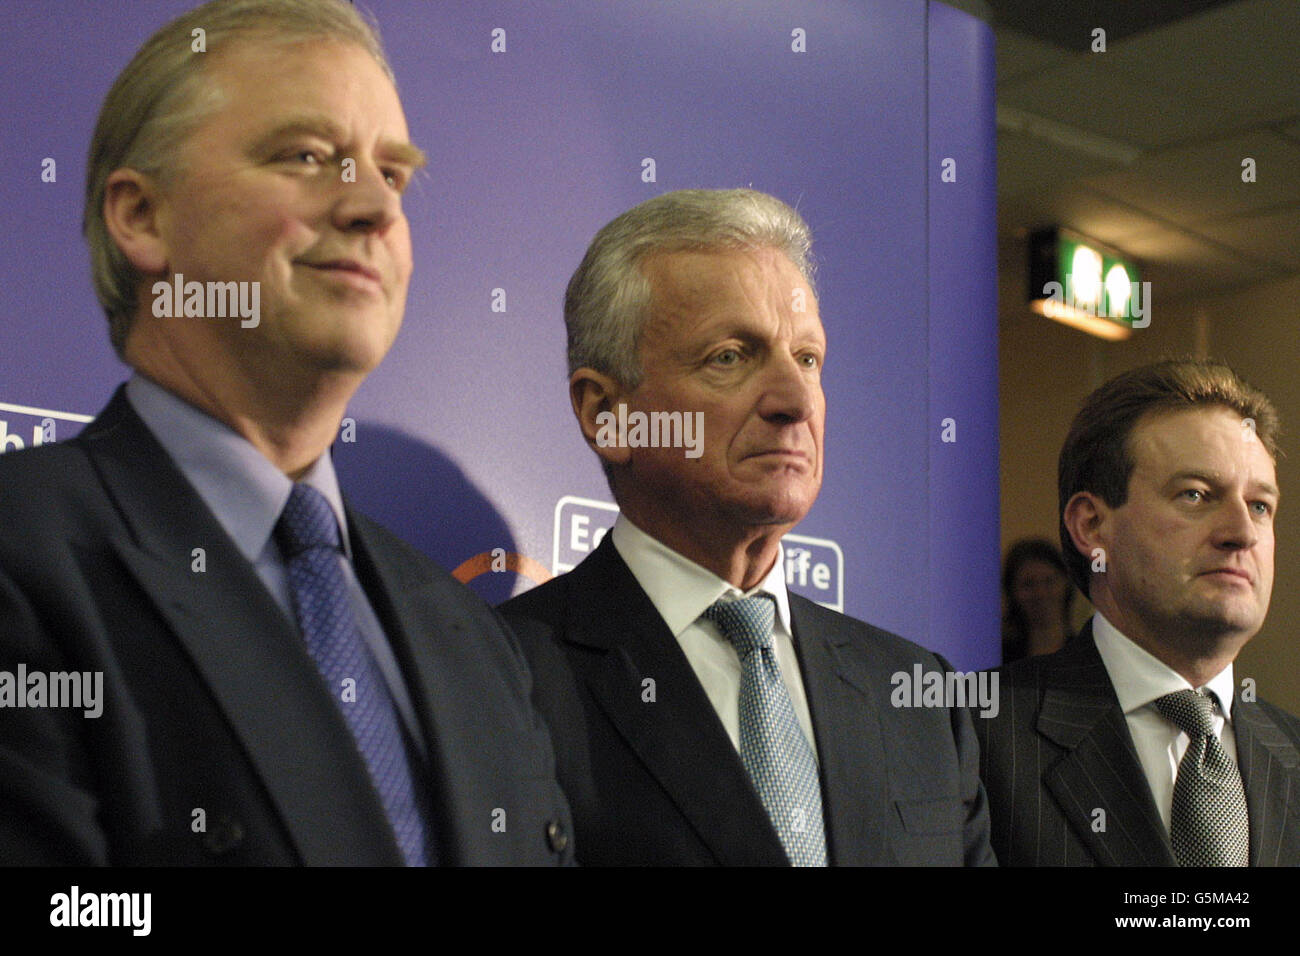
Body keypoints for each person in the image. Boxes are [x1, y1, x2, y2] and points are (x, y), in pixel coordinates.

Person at [0, 0, 572, 866]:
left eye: (394, 174)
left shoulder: (478, 645)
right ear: (140, 218)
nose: (372, 208)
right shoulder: (26, 556)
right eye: (306, 157)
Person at [499, 188, 995, 866]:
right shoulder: (502, 680)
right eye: (731, 356)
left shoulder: (917, 697)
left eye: (809, 359)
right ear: (606, 414)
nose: (795, 401)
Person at [976, 358, 1300, 866]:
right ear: (1091, 526)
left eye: (1260, 505)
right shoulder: (977, 737)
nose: (1243, 531)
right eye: (1195, 494)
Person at [1000, 537, 1074, 663]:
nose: (1041, 593)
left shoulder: (1090, 654)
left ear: (1066, 584)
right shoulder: (1000, 657)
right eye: (1028, 584)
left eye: (1049, 581)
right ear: (1012, 592)